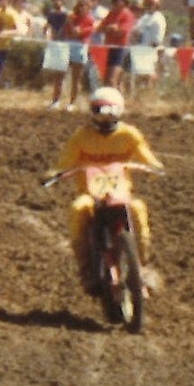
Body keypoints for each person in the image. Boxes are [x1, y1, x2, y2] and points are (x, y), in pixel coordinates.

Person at [48, 86, 164, 295]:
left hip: (120, 193)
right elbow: (65, 162)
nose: (106, 118)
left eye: (111, 112)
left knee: (138, 209)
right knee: (78, 209)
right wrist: (54, 173)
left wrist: (156, 167)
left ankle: (142, 263)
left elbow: (146, 155)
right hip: (90, 194)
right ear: (92, 111)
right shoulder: (81, 136)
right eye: (101, 112)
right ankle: (85, 267)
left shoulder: (129, 134)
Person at [95, 0, 135, 88]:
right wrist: (110, 28)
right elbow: (99, 28)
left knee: (113, 79)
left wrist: (113, 29)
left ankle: (116, 102)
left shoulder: (128, 15)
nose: (119, 2)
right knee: (105, 79)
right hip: (108, 48)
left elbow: (124, 31)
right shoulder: (111, 13)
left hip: (119, 49)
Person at [61, 0, 95, 111]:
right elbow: (67, 32)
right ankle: (58, 99)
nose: (83, 8)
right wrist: (70, 23)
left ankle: (72, 102)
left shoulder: (90, 20)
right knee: (61, 74)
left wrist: (74, 28)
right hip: (69, 45)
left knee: (76, 77)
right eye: (81, 5)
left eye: (85, 6)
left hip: (80, 47)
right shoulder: (72, 18)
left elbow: (80, 33)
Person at [132, 0, 167, 85]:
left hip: (150, 51)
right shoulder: (145, 17)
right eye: (147, 3)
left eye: (151, 3)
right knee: (138, 78)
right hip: (139, 49)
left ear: (156, 4)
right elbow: (136, 32)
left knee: (147, 77)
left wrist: (149, 52)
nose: (148, 5)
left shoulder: (158, 18)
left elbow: (157, 40)